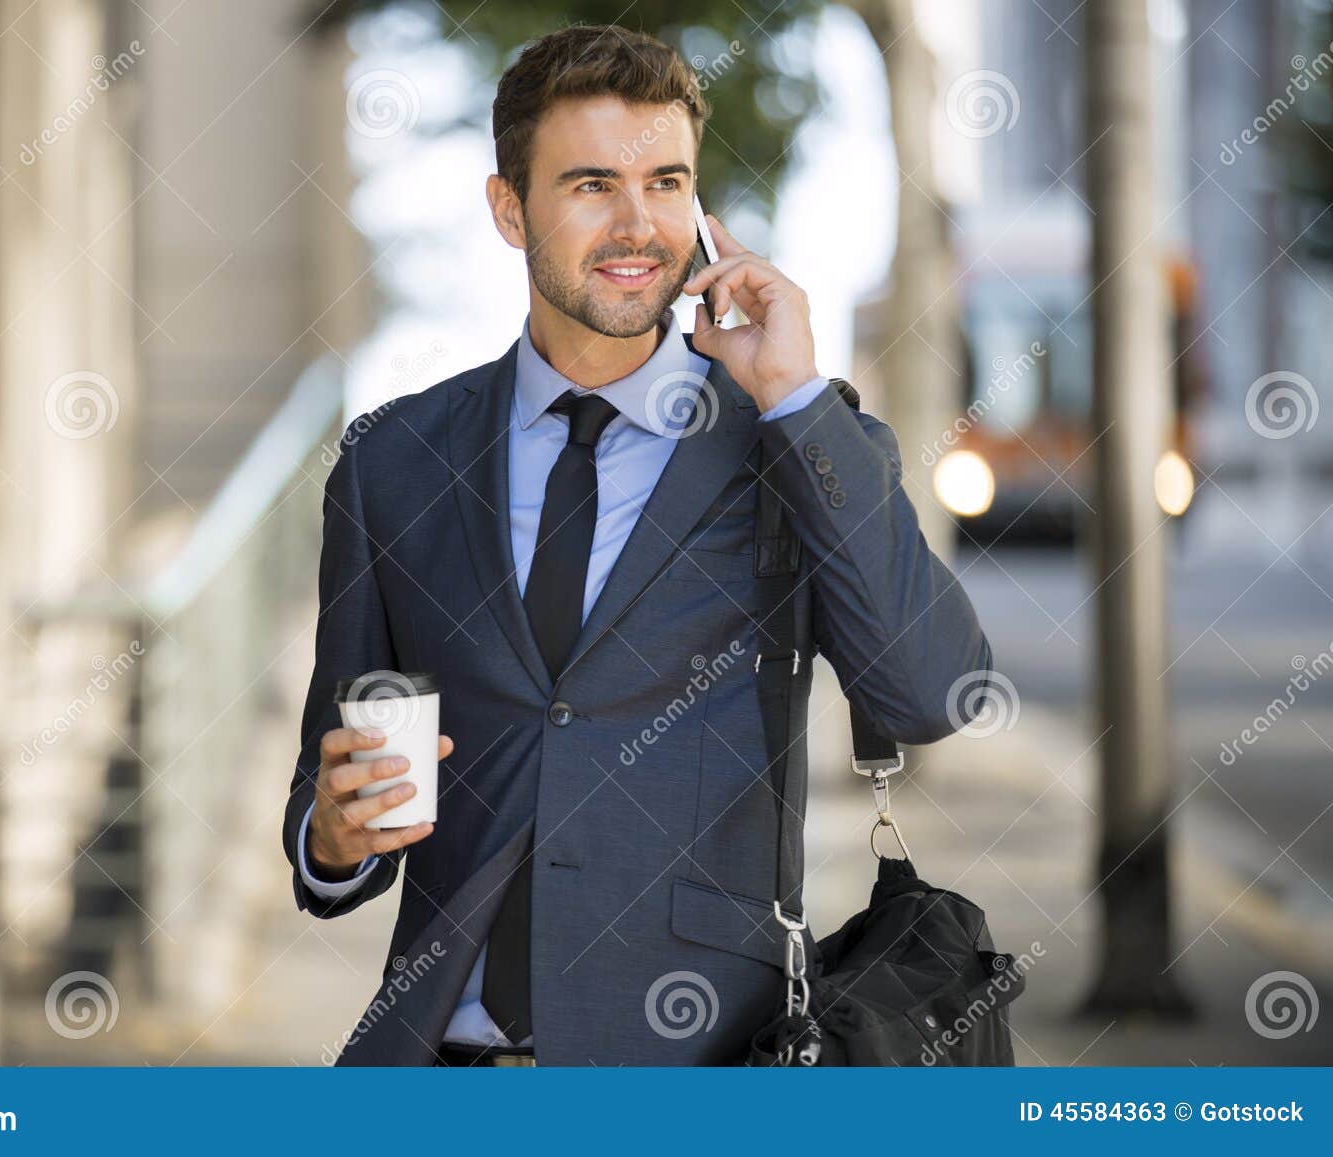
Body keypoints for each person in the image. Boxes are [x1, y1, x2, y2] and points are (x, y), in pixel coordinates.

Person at [281, 23, 991, 1066]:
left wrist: (792, 395)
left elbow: (931, 690)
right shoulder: (393, 464)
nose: (636, 224)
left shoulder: (787, 440)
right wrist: (332, 840)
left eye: (665, 182)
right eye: (590, 185)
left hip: (695, 1065)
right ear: (508, 209)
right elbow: (328, 787)